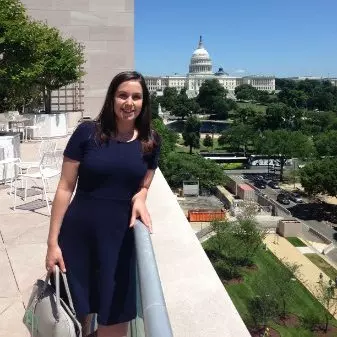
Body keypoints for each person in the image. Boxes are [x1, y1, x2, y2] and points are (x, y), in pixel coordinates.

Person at [45, 71, 161, 337]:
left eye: (136, 96)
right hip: (78, 237)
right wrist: (52, 243)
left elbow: (144, 183)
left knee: (115, 320)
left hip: (120, 243)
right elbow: (65, 187)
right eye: (123, 95)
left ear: (144, 102)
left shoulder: (150, 141)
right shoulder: (87, 134)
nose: (129, 102)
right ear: (112, 98)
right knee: (72, 320)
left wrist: (141, 195)